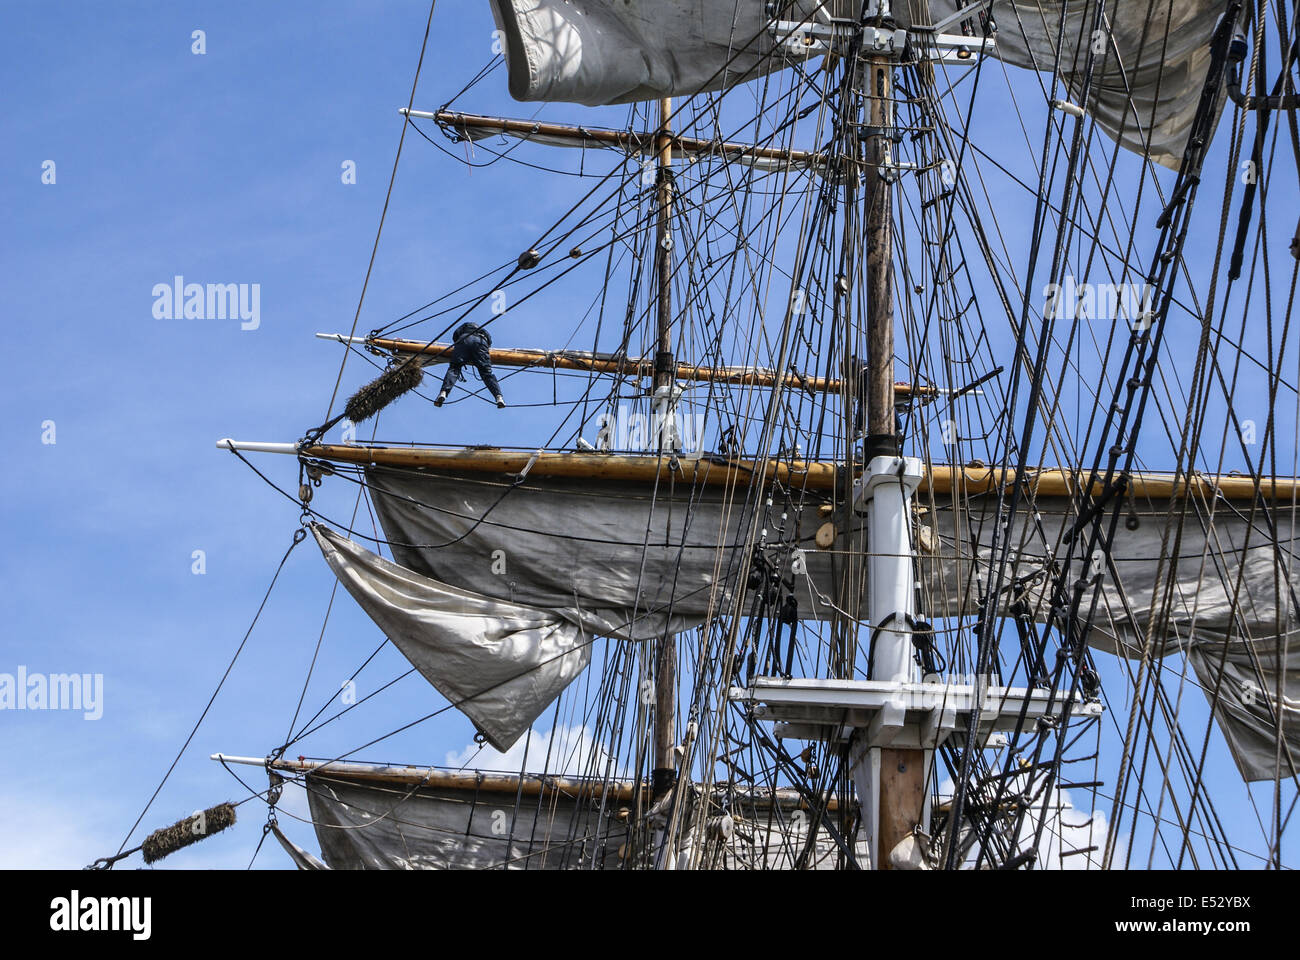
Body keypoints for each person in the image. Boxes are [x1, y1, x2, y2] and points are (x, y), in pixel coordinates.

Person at [434, 322, 505, 408]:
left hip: (464, 339)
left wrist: (460, 348)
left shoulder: (465, 326)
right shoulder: (483, 331)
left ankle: (443, 392)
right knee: (486, 372)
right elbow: (489, 341)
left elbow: (456, 335)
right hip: (481, 342)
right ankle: (498, 397)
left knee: (455, 367)